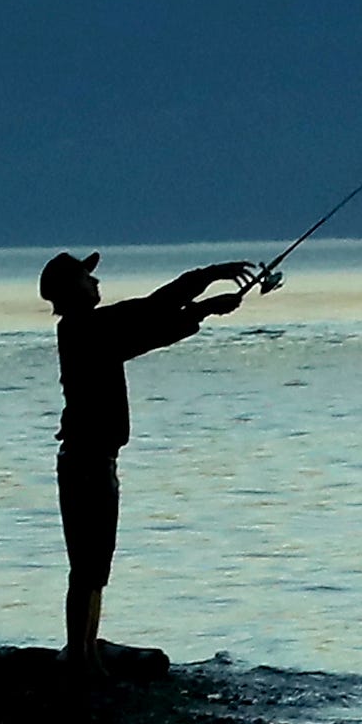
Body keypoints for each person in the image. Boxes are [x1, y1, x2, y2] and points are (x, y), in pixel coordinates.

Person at [39, 250, 257, 674]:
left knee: (96, 565)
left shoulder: (88, 329)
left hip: (95, 461)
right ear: (72, 290)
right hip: (87, 464)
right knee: (86, 567)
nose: (96, 283)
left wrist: (206, 294)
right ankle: (80, 658)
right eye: (88, 278)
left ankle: (86, 652)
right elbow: (152, 315)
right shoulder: (85, 330)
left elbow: (152, 320)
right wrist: (207, 294)